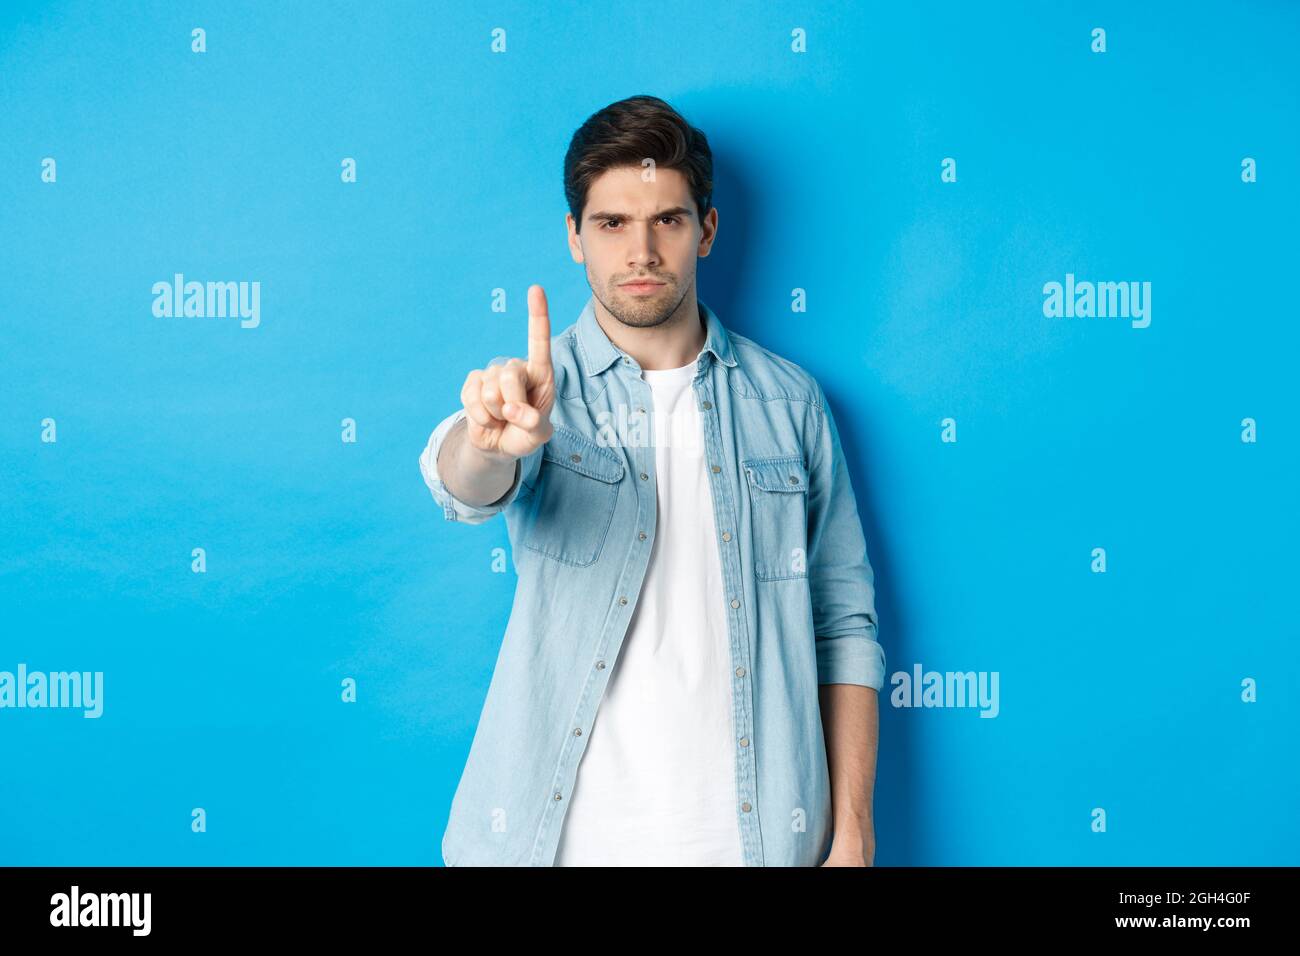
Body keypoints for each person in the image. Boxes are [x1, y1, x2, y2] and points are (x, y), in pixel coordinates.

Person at [419, 94, 885, 866]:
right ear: (575, 237)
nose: (640, 251)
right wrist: (485, 440)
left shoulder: (791, 404)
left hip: (759, 842)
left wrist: (854, 835)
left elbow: (843, 625)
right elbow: (464, 484)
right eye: (610, 224)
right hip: (559, 844)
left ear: (705, 229)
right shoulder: (534, 393)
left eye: (666, 220)